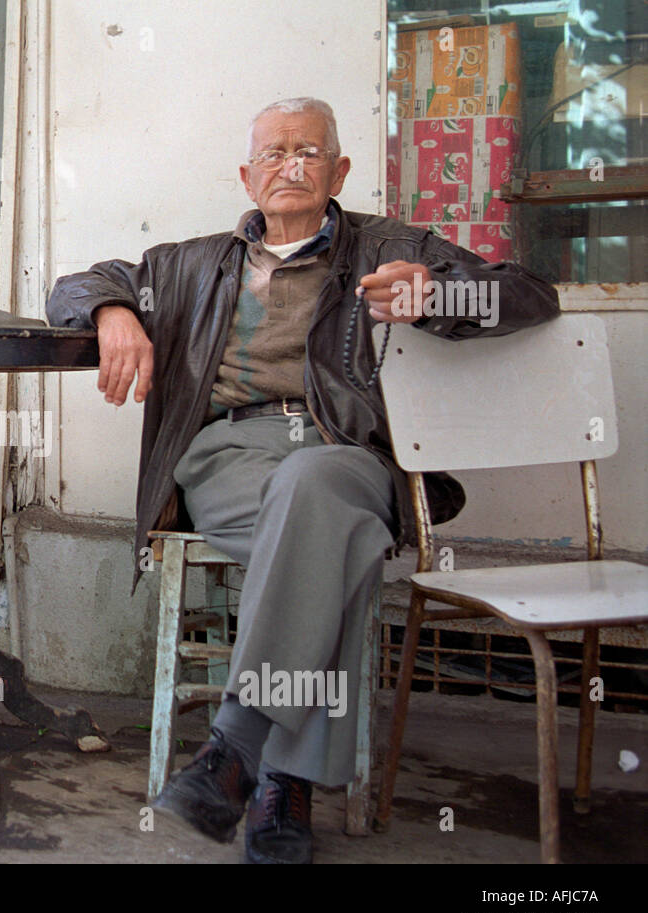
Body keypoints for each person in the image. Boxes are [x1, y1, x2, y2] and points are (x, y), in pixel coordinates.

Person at [46, 97, 559, 862]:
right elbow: (71, 287)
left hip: (344, 451)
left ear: (339, 170)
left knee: (319, 496)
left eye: (309, 152)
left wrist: (439, 294)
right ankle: (284, 785)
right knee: (331, 544)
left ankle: (238, 748)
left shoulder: (388, 247)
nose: (291, 165)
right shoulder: (187, 264)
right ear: (248, 175)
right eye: (276, 153)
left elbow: (530, 293)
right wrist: (115, 311)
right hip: (231, 457)